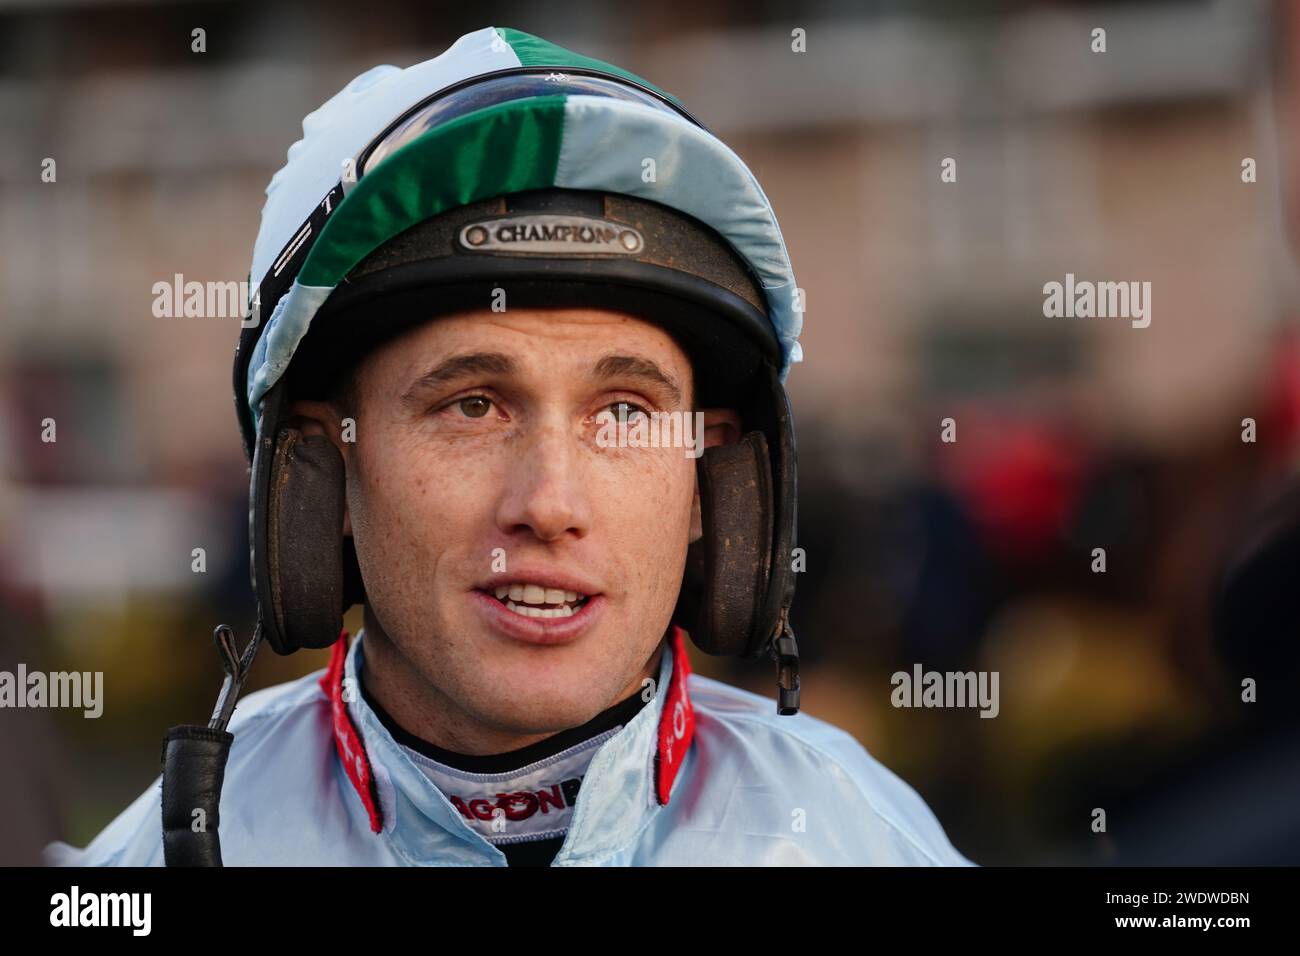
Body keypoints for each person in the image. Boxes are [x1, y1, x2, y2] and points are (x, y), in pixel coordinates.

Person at [45, 26, 972, 867]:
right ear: (319, 473)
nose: (551, 504)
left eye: (625, 413)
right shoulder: (145, 865)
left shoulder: (861, 837)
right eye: (475, 406)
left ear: (711, 483)